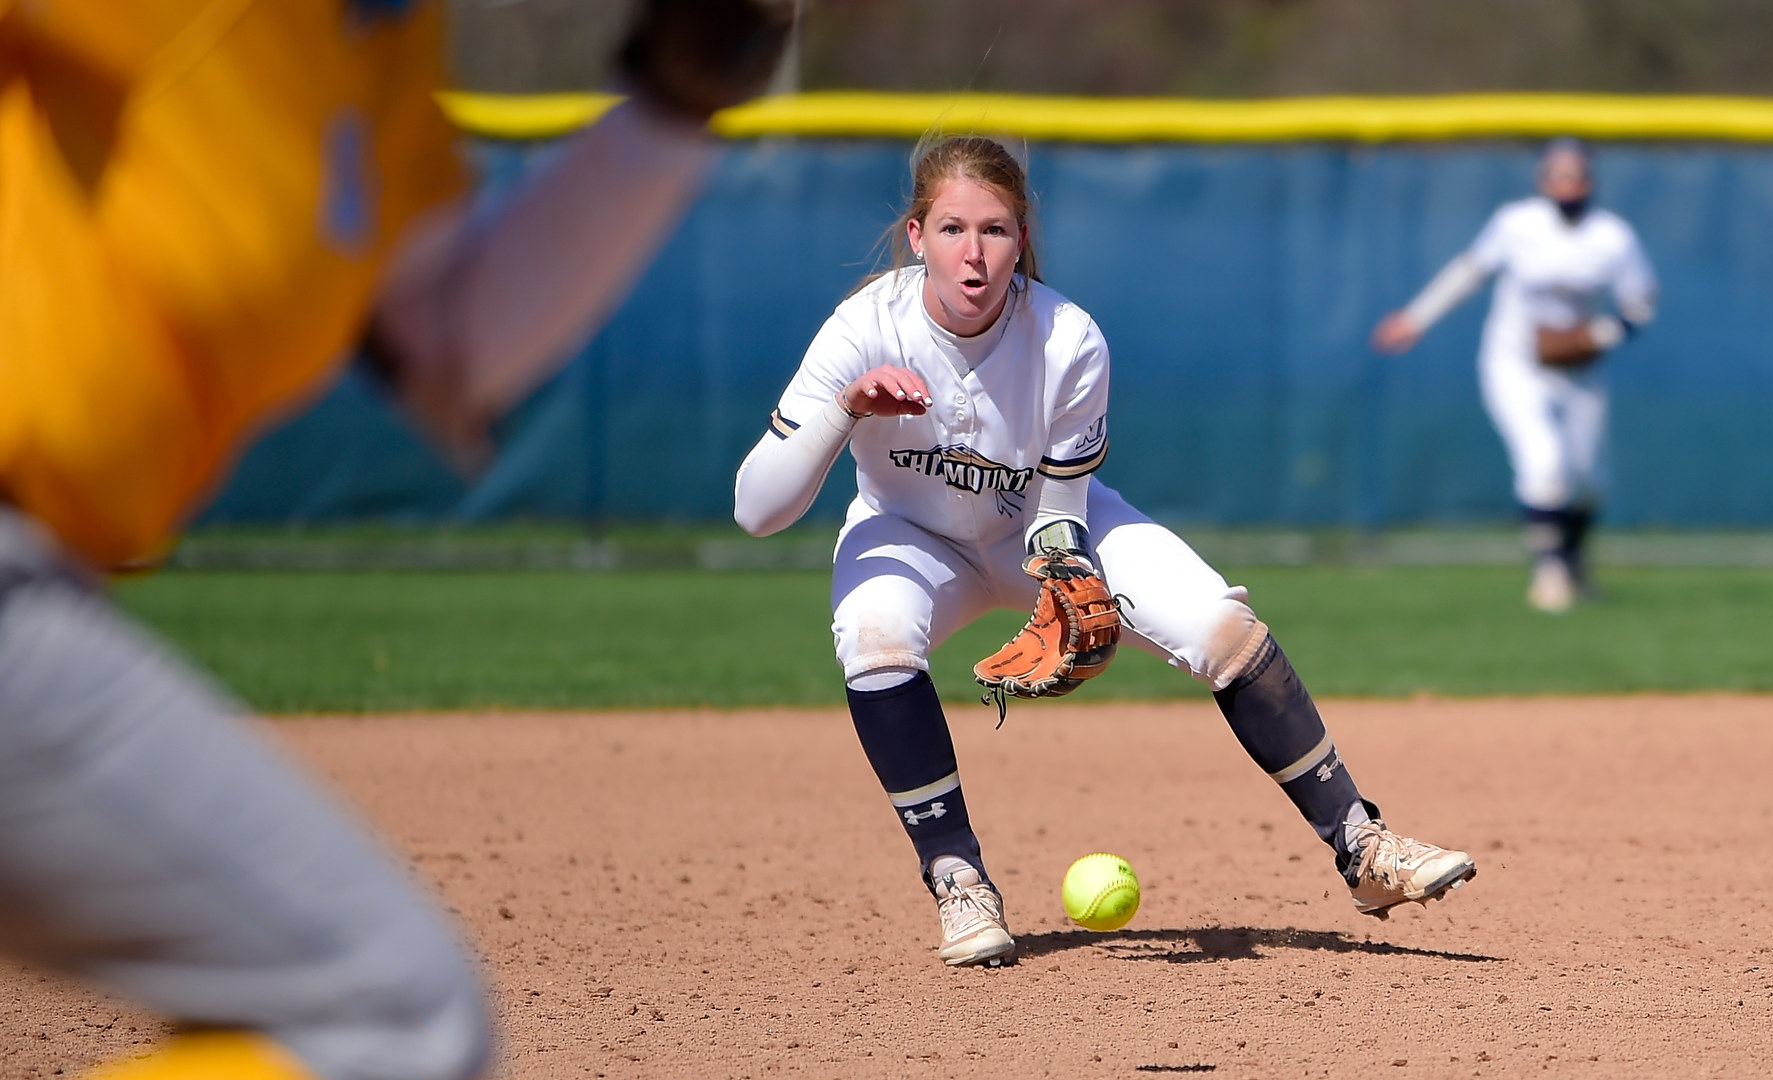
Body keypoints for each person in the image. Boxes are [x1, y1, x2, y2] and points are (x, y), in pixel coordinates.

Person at [0, 1, 791, 1078]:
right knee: (384, 1013)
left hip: (38, 581)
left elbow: (453, 331)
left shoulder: (371, 43)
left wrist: (677, 102)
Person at [733, 135, 1476, 968]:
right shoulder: (864, 328)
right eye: (951, 229)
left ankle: (1362, 846)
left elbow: (1057, 517)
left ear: (1023, 236)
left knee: (1216, 623)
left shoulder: (1066, 339)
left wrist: (1070, 585)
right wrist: (847, 406)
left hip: (1040, 530)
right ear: (916, 236)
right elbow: (758, 510)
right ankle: (956, 877)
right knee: (873, 638)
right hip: (911, 533)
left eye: (996, 229)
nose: (973, 254)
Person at [1372, 137, 1659, 613]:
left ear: (1591, 180)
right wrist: (1416, 317)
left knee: (1588, 480)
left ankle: (1573, 560)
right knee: (1544, 463)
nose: (1569, 184)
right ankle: (1550, 572)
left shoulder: (1612, 236)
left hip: (1579, 370)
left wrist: (1599, 335)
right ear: (1543, 180)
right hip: (1514, 363)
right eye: (1559, 175)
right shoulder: (1517, 224)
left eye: (1577, 174)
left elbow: (1641, 302)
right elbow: (1470, 271)